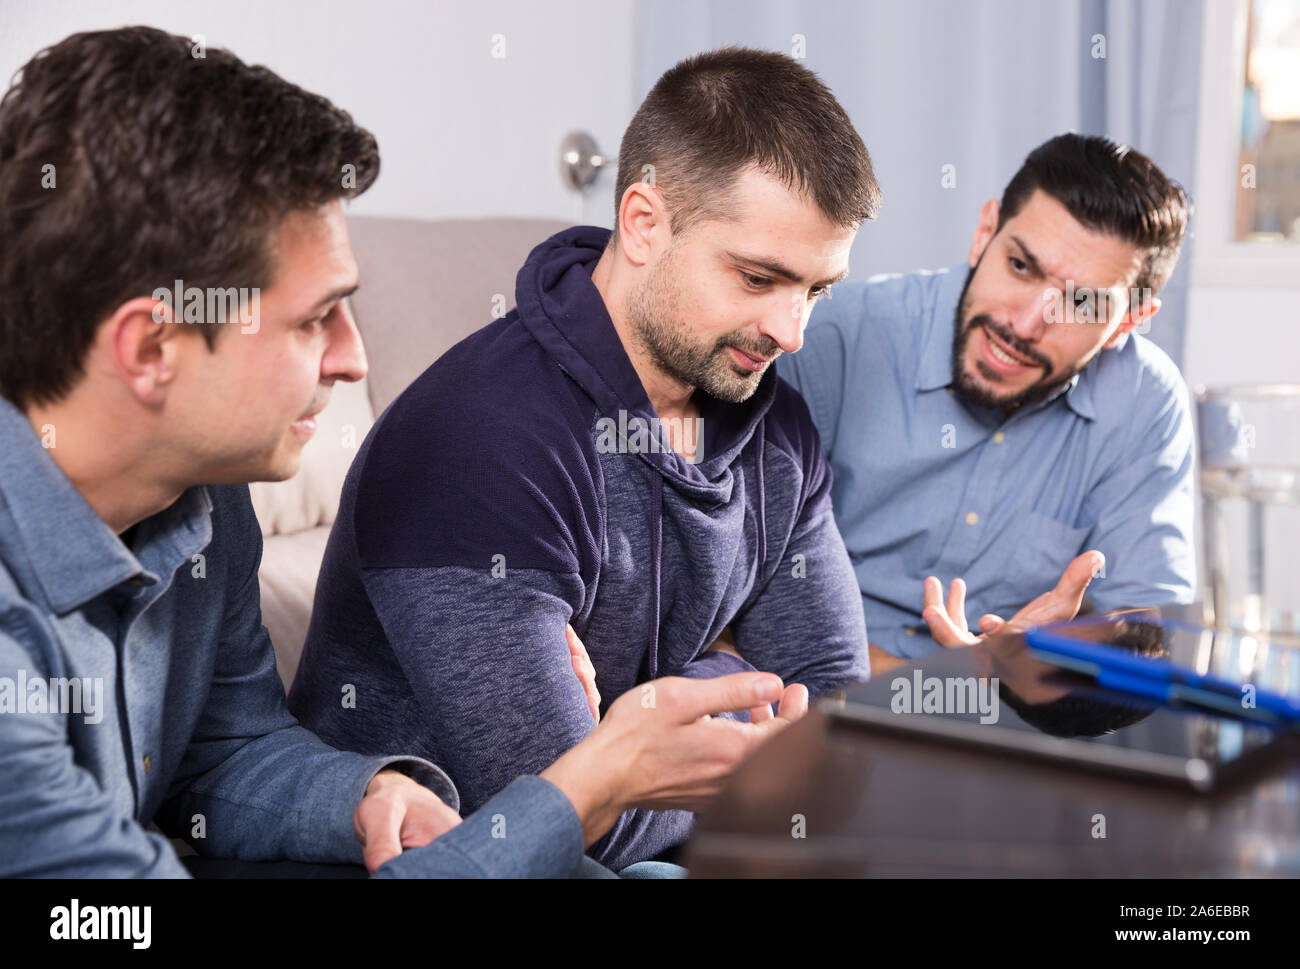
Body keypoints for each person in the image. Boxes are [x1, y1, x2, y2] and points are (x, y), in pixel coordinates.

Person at [0, 26, 807, 879]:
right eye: (316, 319)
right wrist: (586, 788)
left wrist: (364, 796)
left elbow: (223, 753)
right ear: (150, 350)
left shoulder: (205, 500)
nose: (354, 359)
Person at [289, 47, 879, 871]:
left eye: (817, 290)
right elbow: (560, 816)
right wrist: (723, 695)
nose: (792, 332)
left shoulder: (769, 420)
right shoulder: (477, 443)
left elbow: (835, 718)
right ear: (644, 223)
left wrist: (633, 734)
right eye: (758, 277)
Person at [776, 134, 1195, 674]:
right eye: (1021, 266)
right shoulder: (832, 337)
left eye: (1082, 302)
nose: (1023, 326)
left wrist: (1051, 665)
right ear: (983, 235)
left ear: (1129, 322)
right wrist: (962, 686)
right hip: (806, 693)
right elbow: (729, 599)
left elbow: (1150, 636)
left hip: (1006, 717)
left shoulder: (1146, 403)